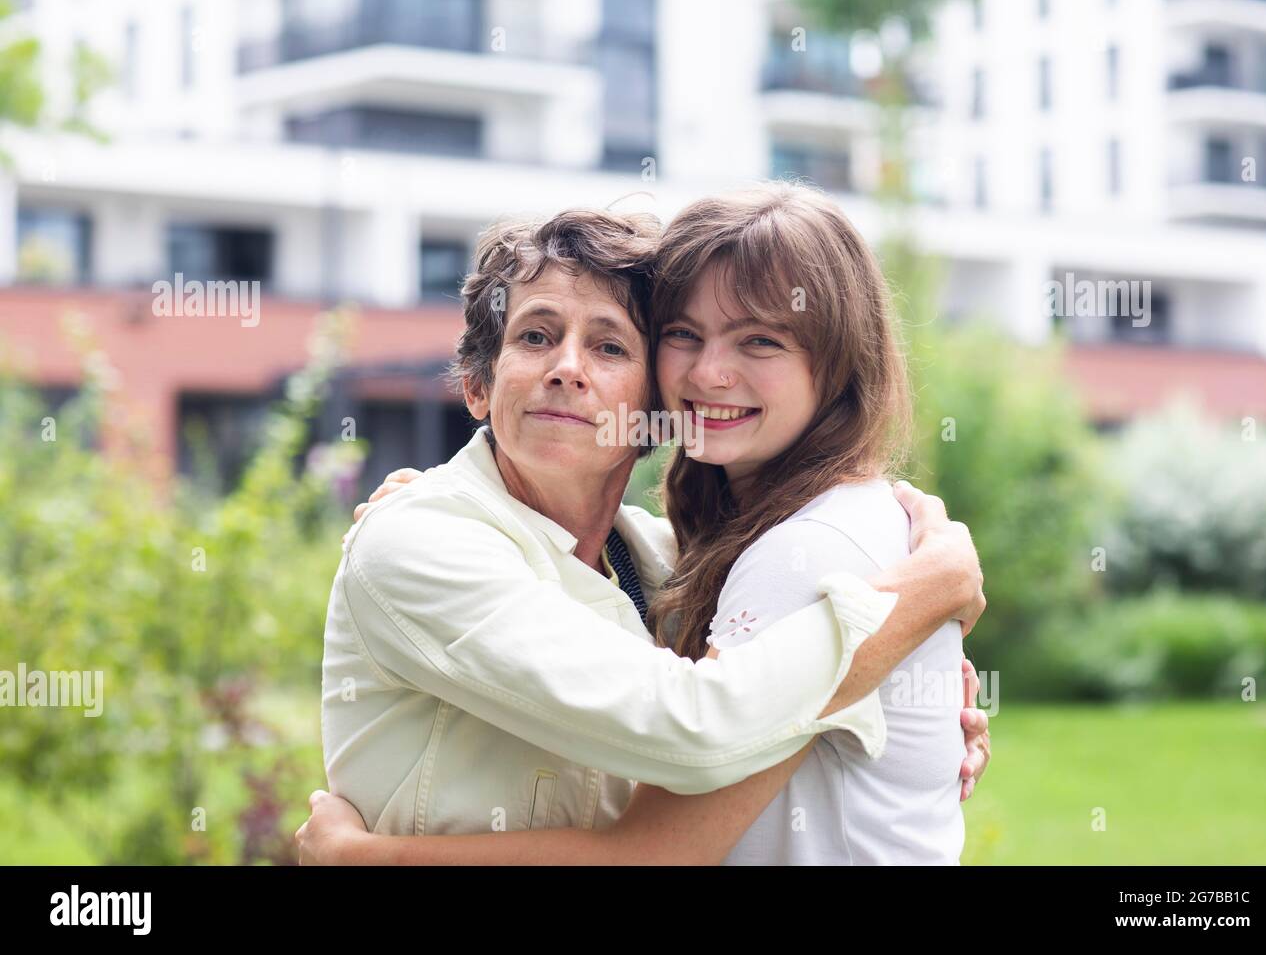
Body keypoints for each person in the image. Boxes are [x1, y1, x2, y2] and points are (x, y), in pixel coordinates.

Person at [299, 201, 988, 863]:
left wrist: (911, 701)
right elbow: (690, 731)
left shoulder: (660, 561)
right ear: (479, 386)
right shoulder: (423, 541)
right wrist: (919, 595)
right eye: (536, 336)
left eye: (608, 346)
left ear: (657, 403)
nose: (568, 369)